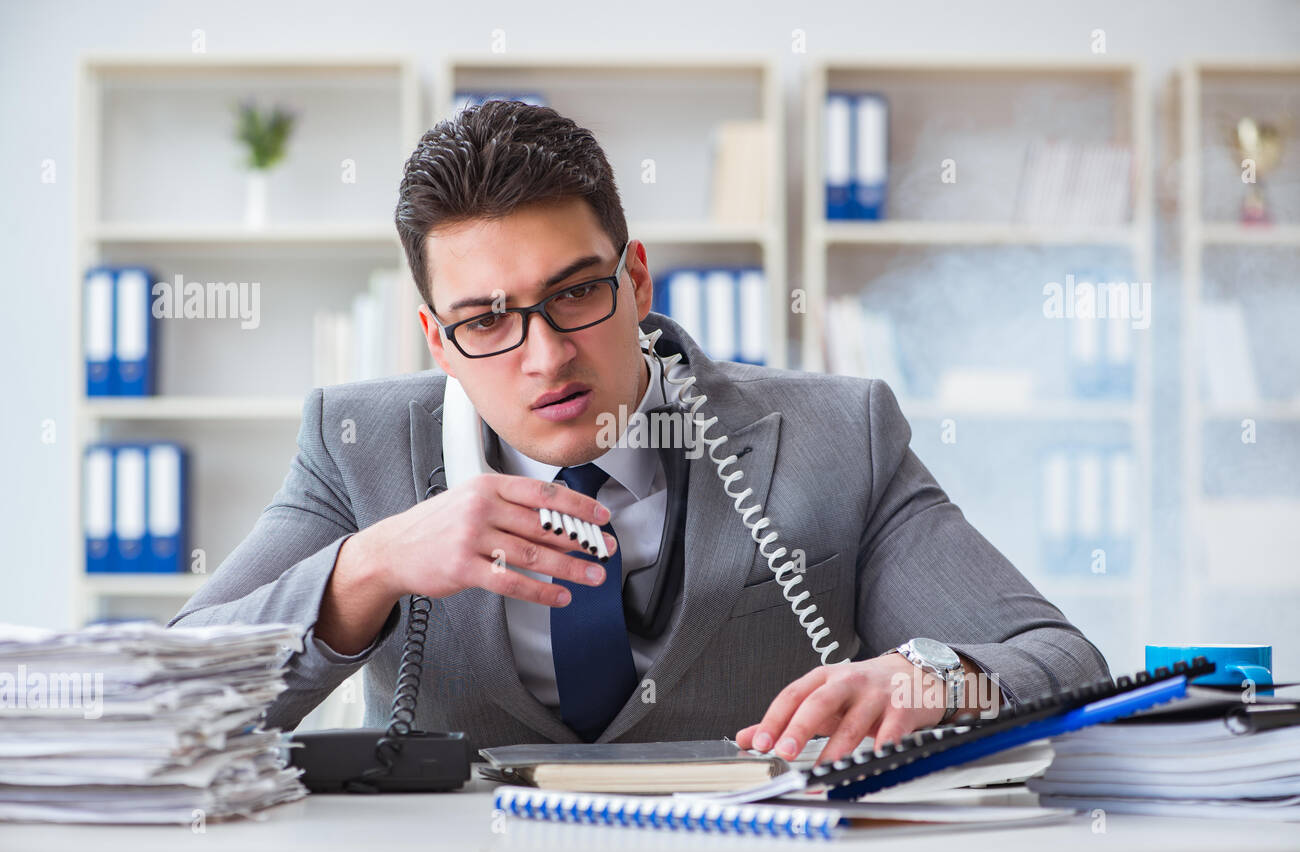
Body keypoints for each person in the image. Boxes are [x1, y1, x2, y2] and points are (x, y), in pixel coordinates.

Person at [169, 99, 1110, 764]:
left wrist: (930, 678)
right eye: (485, 321)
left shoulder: (838, 432)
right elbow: (170, 704)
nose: (543, 358)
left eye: (576, 292)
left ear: (638, 281)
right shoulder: (356, 443)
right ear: (436, 341)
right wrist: (367, 568)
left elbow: (1062, 661)